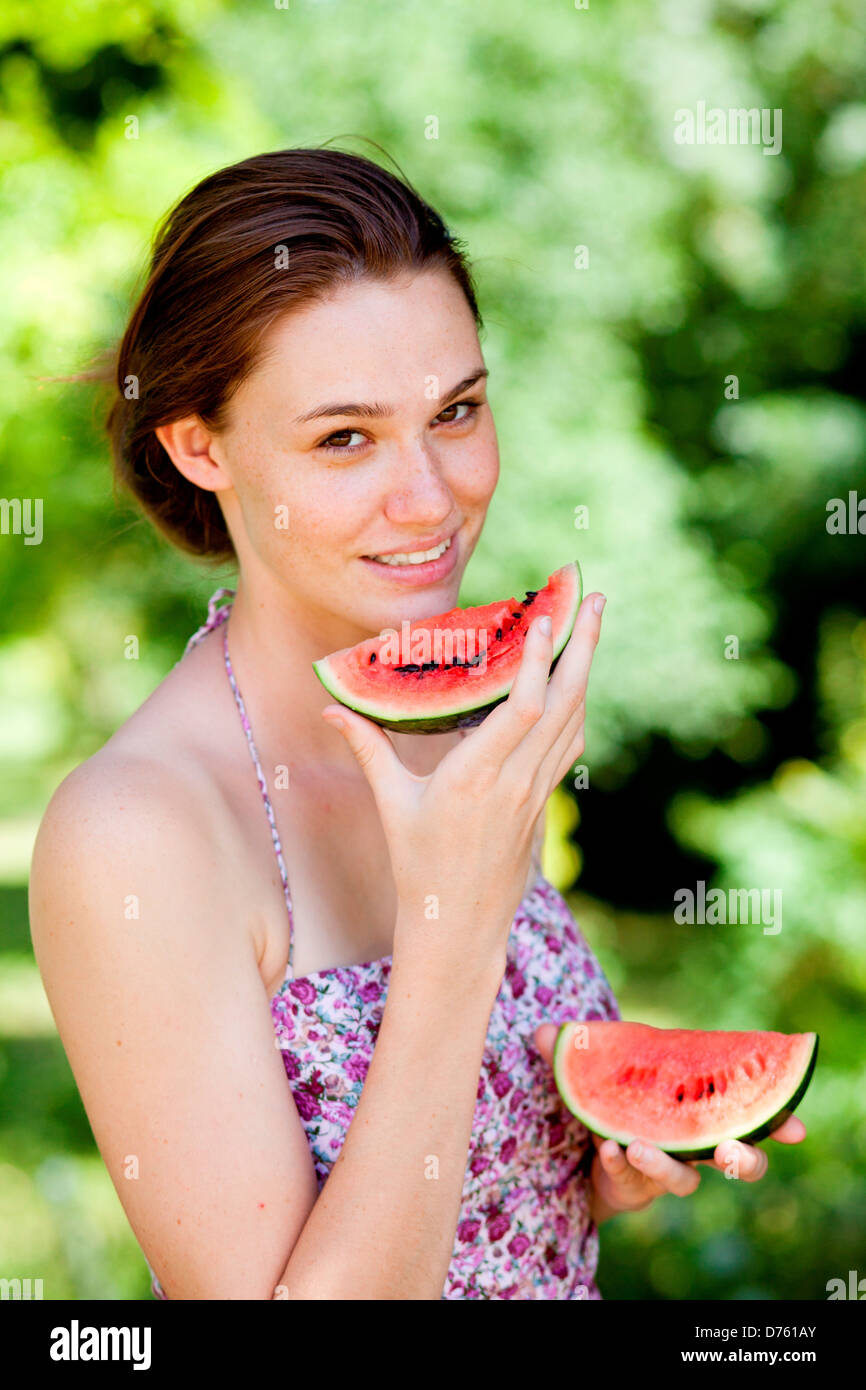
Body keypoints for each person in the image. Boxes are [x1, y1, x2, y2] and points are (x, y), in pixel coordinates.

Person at [28, 144, 804, 1301]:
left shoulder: (468, 731)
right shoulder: (135, 836)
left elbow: (463, 1196)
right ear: (200, 446)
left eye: (456, 410)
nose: (431, 497)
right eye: (343, 437)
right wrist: (453, 922)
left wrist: (583, 1158)